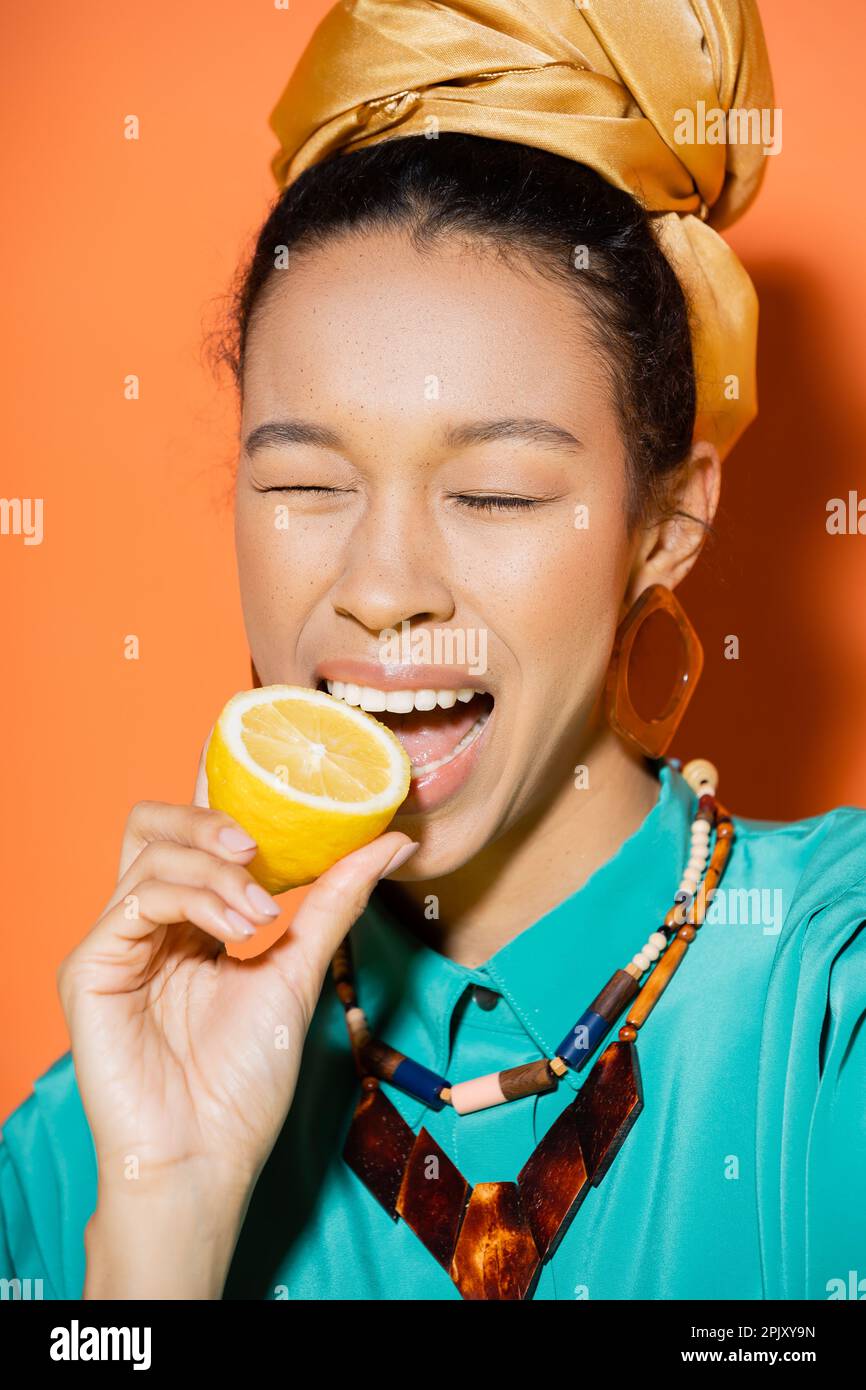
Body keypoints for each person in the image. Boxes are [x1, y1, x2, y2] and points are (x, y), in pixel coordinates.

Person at [2, 0, 864, 1301]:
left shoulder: (827, 1014)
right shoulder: (85, 1146)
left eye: (496, 493)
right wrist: (156, 1247)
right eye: (304, 486)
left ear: (665, 526)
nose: (379, 587)